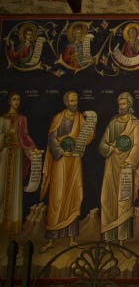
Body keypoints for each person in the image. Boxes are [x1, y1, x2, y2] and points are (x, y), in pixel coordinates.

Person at [40, 91, 94, 253]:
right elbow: (51, 139)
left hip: (74, 161)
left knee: (74, 195)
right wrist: (62, 151)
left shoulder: (80, 118)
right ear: (66, 102)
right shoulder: (58, 118)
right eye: (71, 100)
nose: (74, 102)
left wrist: (91, 123)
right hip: (60, 162)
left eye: (76, 100)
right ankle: (51, 239)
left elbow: (88, 137)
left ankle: (72, 238)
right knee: (57, 198)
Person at [98, 92, 139, 244]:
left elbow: (137, 146)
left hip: (126, 168)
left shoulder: (135, 123)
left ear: (129, 105)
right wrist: (111, 149)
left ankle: (122, 240)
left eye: (123, 104)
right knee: (107, 199)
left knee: (124, 201)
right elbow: (102, 144)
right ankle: (109, 237)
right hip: (111, 165)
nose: (121, 107)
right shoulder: (113, 123)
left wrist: (130, 163)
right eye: (119, 104)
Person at [0, 93, 37, 235]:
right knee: (2, 187)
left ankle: (14, 226)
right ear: (9, 101)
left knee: (15, 189)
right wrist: (6, 135)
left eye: (18, 99)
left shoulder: (22, 119)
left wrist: (32, 152)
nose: (17, 102)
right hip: (4, 156)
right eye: (14, 99)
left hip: (17, 156)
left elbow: (25, 139)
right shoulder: (2, 119)